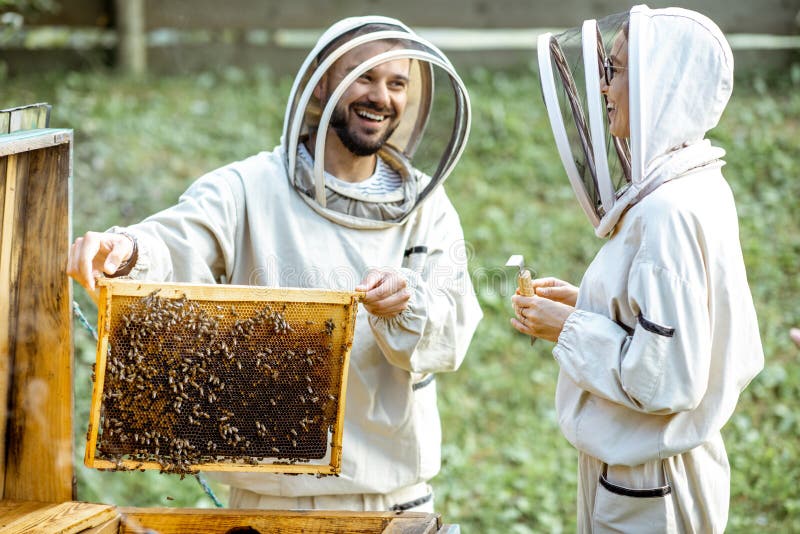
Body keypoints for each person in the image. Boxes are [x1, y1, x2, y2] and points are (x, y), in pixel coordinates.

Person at [67, 16, 482, 512]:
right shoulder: (247, 187)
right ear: (322, 82)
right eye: (364, 76)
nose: (381, 96)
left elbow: (451, 330)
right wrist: (127, 251)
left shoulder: (427, 208)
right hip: (269, 501)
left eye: (397, 83)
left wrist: (409, 299)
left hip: (391, 501)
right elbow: (175, 242)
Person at [514, 6, 763, 532]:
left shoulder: (667, 210)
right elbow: (677, 323)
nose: (605, 88)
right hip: (646, 474)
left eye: (619, 71)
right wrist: (589, 300)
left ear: (662, 82)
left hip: (651, 489)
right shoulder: (695, 182)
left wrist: (568, 326)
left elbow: (666, 380)